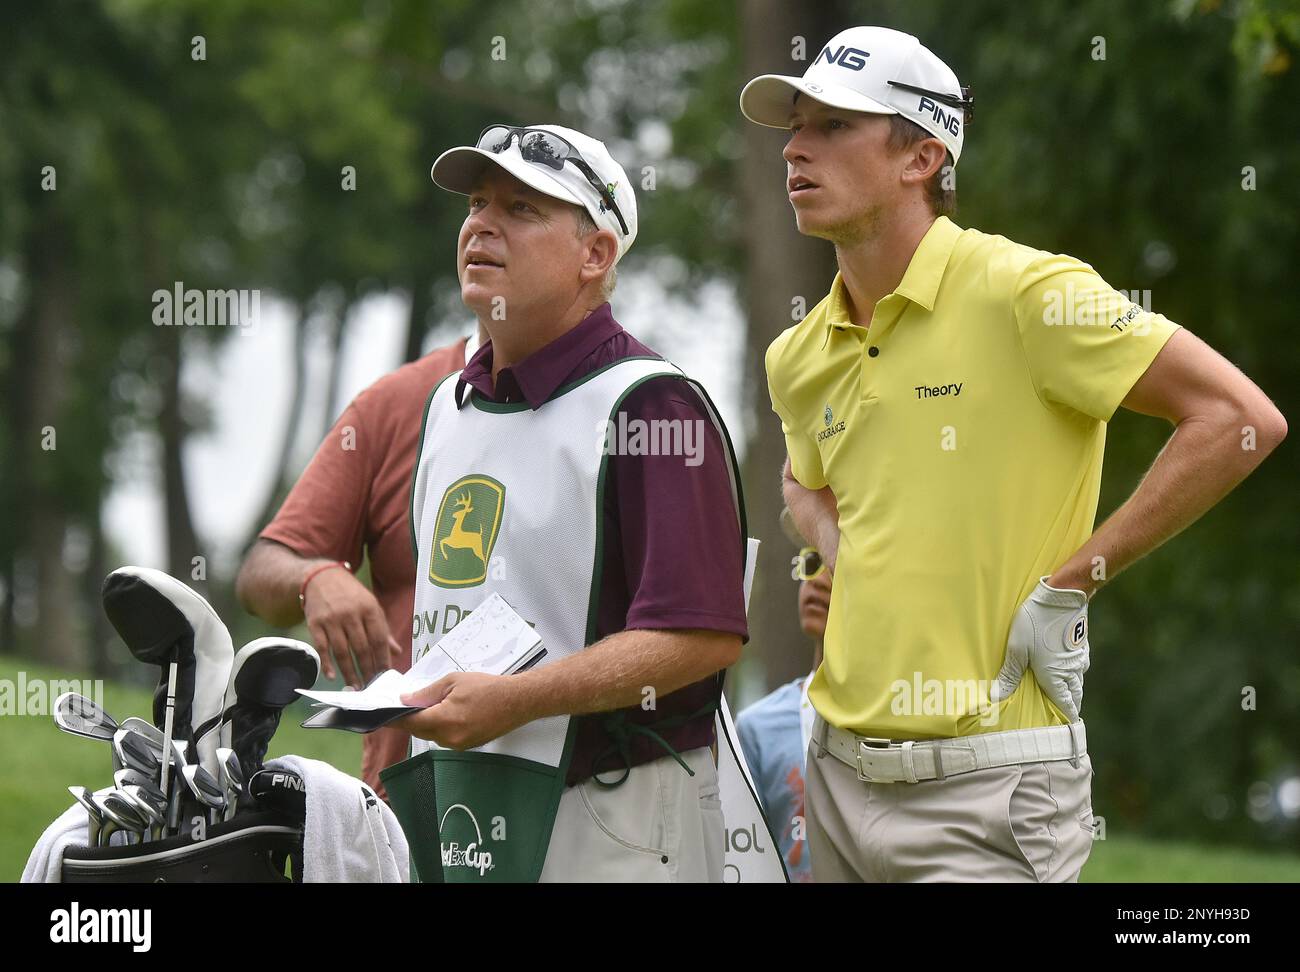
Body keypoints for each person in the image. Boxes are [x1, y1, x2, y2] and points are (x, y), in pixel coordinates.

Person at [740, 25, 1286, 882]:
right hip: (835, 779)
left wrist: (1077, 580)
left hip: (993, 791)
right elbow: (807, 491)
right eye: (795, 126)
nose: (796, 149)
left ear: (923, 157)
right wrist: (833, 545)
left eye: (835, 125)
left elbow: (1237, 418)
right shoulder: (797, 356)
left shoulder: (1029, 293)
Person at [390, 124, 749, 882]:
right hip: (466, 801)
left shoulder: (651, 405)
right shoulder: (444, 409)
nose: (481, 224)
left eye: (522, 208)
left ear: (596, 255)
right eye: (478, 203)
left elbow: (699, 635)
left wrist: (518, 699)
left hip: (615, 817)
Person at [235, 329, 481, 801]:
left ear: (596, 255)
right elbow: (261, 572)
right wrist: (315, 577)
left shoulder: (626, 398)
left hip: (574, 801)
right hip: (405, 799)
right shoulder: (393, 403)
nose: (481, 248)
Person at [736, 509, 830, 883]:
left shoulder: (906, 726)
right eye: (811, 561)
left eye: (840, 563)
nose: (818, 581)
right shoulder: (756, 730)